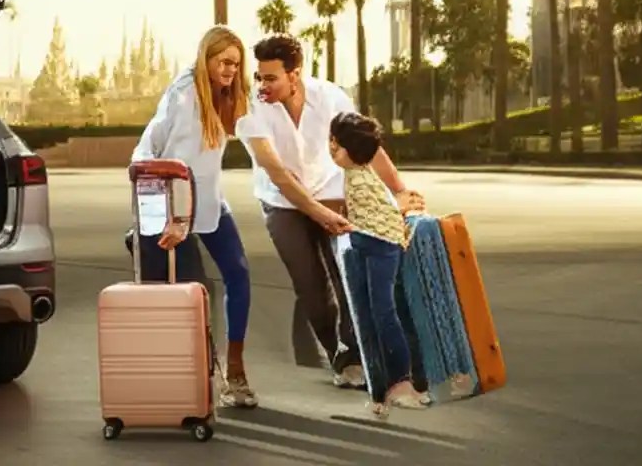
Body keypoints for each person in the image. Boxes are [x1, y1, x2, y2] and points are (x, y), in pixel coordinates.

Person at [234, 34, 424, 389]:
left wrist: (398, 189)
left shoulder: (330, 97)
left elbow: (366, 147)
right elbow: (278, 175)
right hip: (283, 203)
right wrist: (318, 214)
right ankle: (338, 354)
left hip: (331, 191)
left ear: (295, 74)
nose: (262, 85)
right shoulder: (251, 107)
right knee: (312, 289)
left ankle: (356, 353)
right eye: (258, 76)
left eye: (270, 77)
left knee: (348, 275)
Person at [130, 25, 258, 408]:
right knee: (192, 296)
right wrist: (170, 218)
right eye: (224, 62)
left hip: (208, 201)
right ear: (206, 58)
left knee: (238, 273)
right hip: (169, 203)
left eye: (236, 64)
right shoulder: (186, 98)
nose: (231, 70)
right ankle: (199, 378)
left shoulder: (223, 95)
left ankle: (235, 370)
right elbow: (165, 162)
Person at [329, 111, 428, 410]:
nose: (331, 147)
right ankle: (387, 386)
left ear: (355, 150)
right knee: (373, 314)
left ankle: (402, 383)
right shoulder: (356, 172)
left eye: (338, 143)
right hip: (370, 246)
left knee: (383, 313)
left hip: (381, 247)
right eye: (331, 140)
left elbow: (386, 214)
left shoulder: (361, 181)